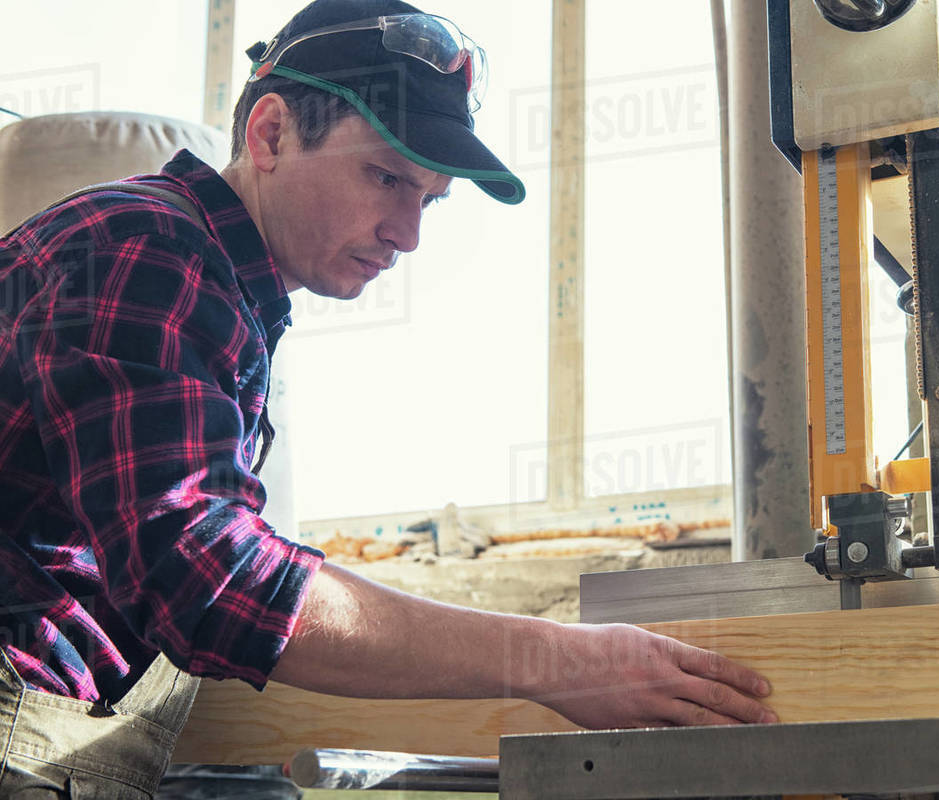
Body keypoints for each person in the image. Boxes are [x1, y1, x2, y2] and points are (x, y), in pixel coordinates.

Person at [0, 1, 776, 795]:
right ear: (269, 135)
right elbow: (213, 579)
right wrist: (558, 659)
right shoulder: (149, 253)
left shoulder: (214, 282)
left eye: (430, 199)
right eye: (386, 178)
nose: (408, 235)